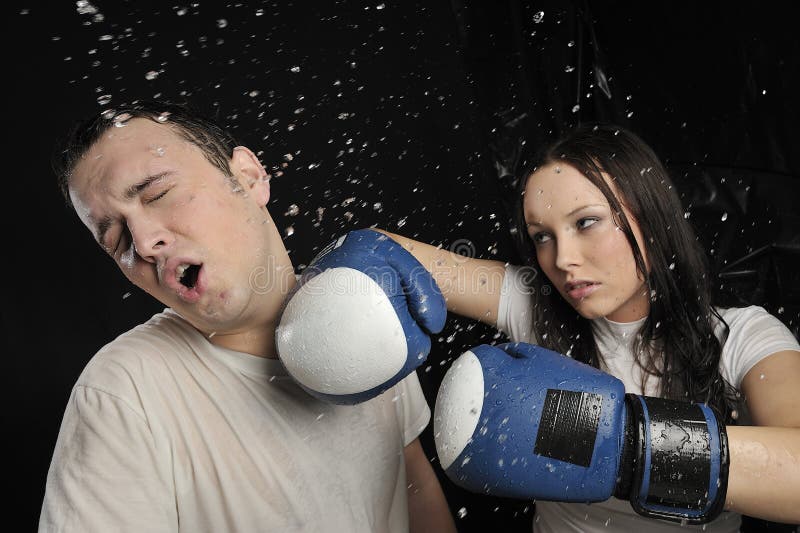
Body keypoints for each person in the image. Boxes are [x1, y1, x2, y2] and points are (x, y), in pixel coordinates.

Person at [39, 99, 457, 533]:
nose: (143, 243)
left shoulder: (364, 307)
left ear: (249, 176)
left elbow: (411, 482)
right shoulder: (124, 391)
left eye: (158, 194)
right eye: (117, 238)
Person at [377, 124, 800, 531]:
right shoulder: (534, 306)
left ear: (649, 216)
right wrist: (344, 262)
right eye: (542, 236)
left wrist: (628, 447)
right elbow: (386, 254)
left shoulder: (741, 337)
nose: (561, 260)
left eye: (585, 223)